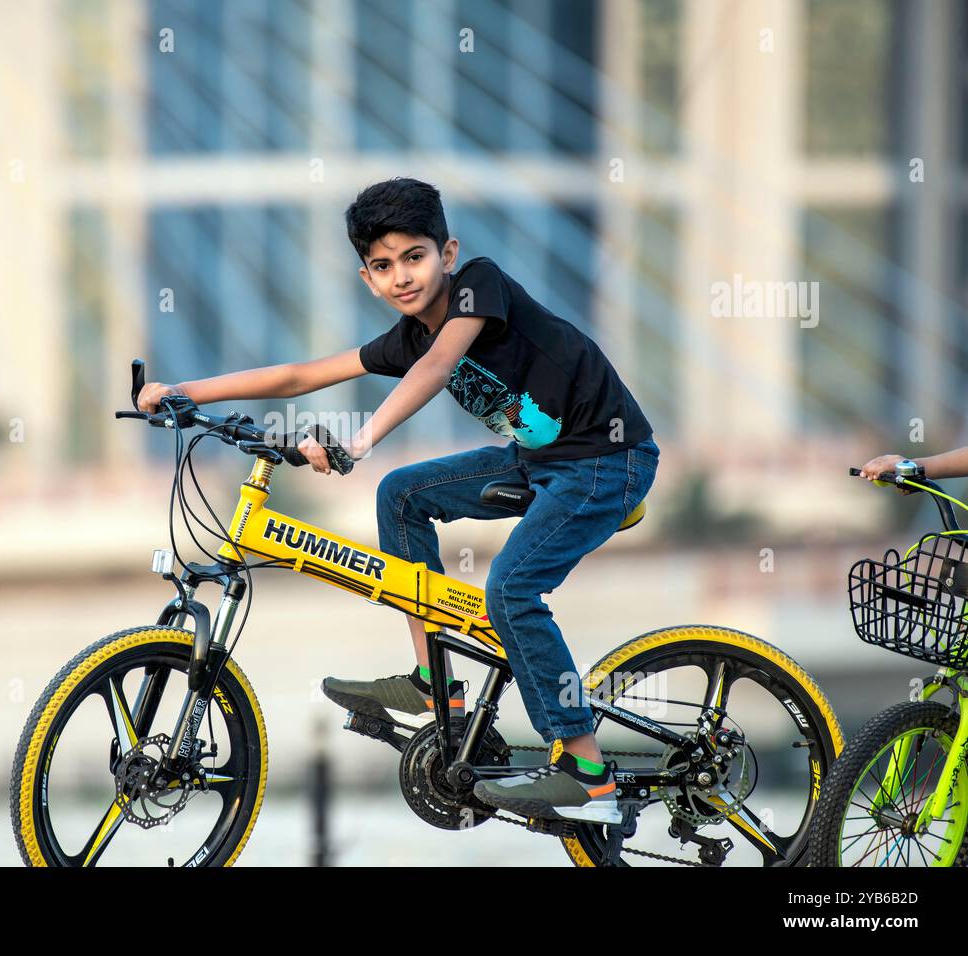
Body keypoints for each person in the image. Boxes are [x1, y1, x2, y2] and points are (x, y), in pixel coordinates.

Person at [138, 177, 659, 824]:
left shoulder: (479, 285)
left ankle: (588, 775)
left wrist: (360, 440)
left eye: (415, 256)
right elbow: (301, 375)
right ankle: (437, 685)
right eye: (383, 267)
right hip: (538, 462)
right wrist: (182, 391)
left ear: (448, 251)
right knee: (403, 495)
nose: (402, 277)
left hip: (607, 461)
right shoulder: (405, 338)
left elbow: (438, 368)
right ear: (368, 280)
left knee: (511, 592)